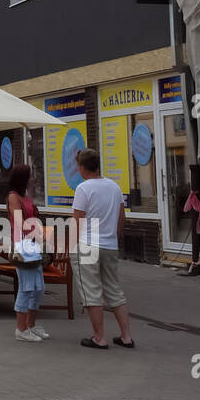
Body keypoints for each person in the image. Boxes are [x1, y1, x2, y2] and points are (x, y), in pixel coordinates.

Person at [72, 149, 134, 350]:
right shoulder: (114, 187)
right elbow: (121, 218)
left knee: (92, 291)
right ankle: (126, 337)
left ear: (82, 167)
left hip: (88, 245)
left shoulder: (83, 188)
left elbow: (78, 220)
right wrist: (113, 237)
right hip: (109, 244)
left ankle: (99, 337)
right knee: (114, 290)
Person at [6, 166, 46, 342]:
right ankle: (20, 329)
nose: (33, 179)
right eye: (31, 176)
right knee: (26, 287)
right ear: (23, 178)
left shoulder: (26, 196)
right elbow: (19, 222)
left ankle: (31, 325)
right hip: (23, 245)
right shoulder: (13, 197)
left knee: (38, 287)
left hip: (33, 244)